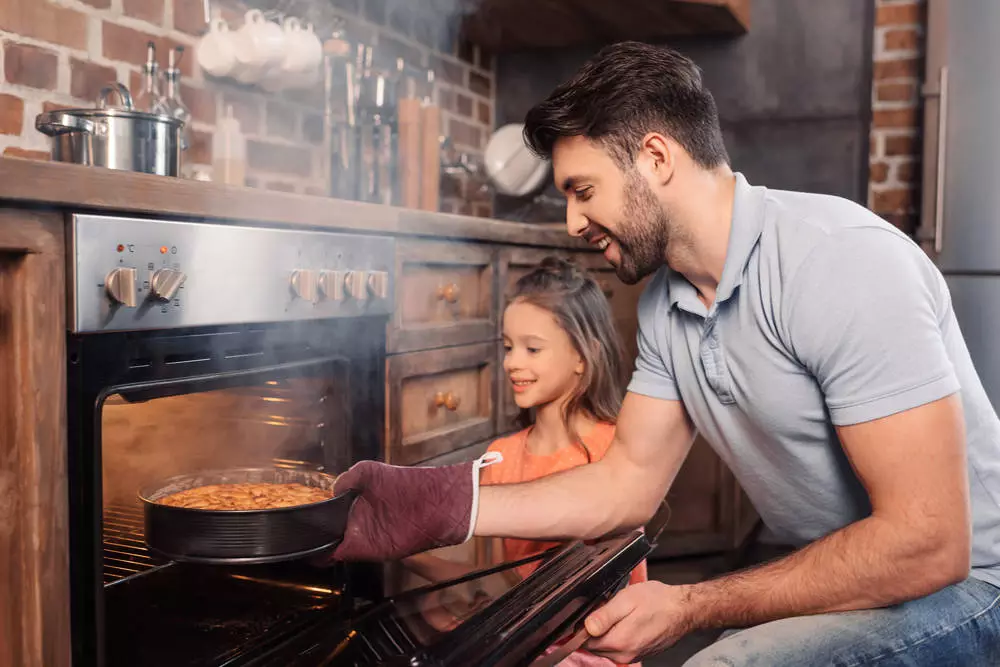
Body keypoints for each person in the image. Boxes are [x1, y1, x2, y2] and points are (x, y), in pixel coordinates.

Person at [332, 41, 1000, 666]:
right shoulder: (665, 304)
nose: (572, 223)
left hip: (973, 589)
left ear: (656, 158)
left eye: (583, 191)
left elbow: (930, 544)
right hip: (874, 578)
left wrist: (688, 604)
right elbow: (624, 482)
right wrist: (445, 502)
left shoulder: (839, 262)